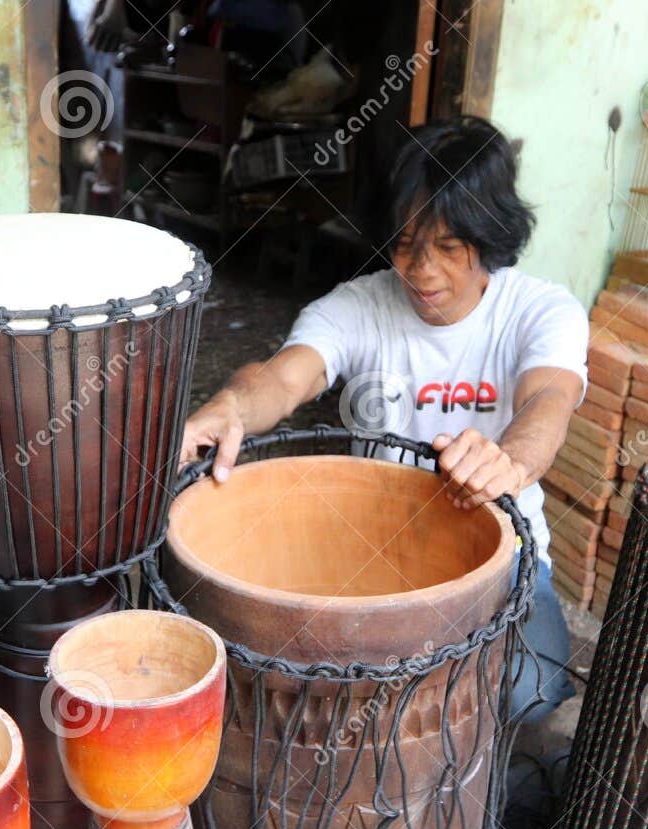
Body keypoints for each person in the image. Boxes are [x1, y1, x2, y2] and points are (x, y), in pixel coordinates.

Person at [179, 116, 586, 723]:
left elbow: (547, 403)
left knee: (525, 699)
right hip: (379, 553)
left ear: (493, 235)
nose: (421, 270)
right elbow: (287, 376)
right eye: (405, 243)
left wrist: (510, 461)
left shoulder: (541, 311)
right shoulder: (358, 307)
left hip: (506, 563)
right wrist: (231, 406)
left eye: (448, 248)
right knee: (344, 708)